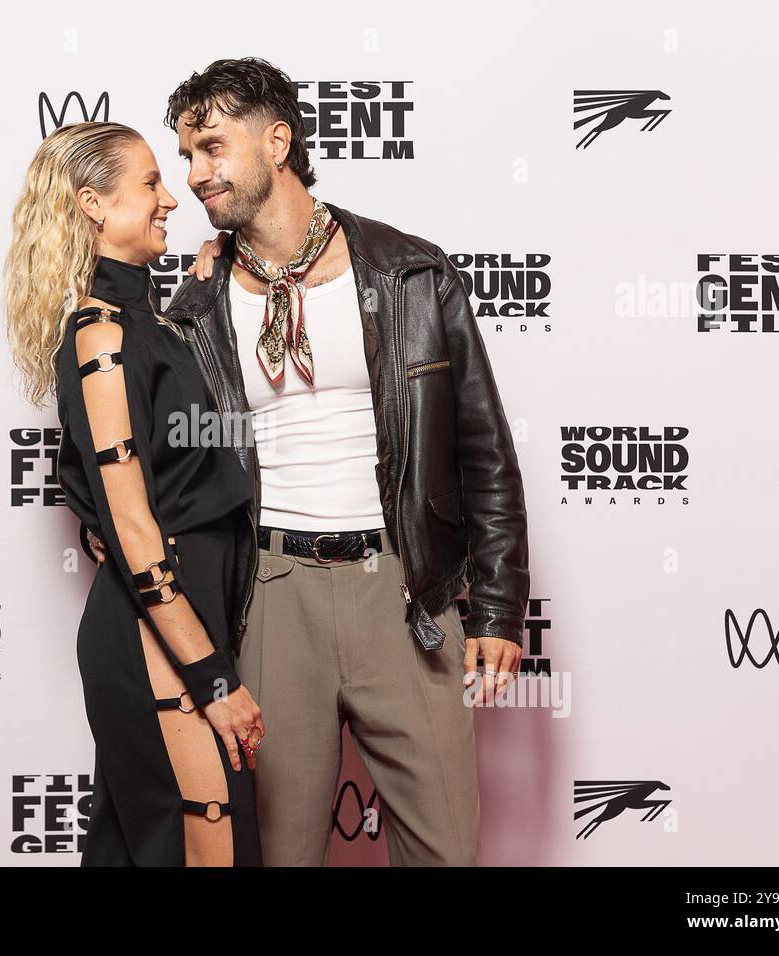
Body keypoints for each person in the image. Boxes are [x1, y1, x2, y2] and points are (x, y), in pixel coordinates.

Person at [90, 57, 530, 866]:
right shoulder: (192, 307)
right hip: (270, 595)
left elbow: (484, 447)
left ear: (278, 141)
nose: (194, 177)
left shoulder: (409, 272)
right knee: (281, 853)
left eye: (213, 149)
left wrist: (499, 609)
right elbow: (138, 449)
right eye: (185, 158)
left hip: (404, 592)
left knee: (447, 851)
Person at [4, 121, 264, 867]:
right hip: (159, 631)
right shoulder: (102, 336)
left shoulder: (146, 325)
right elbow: (132, 527)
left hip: (190, 613)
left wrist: (202, 285)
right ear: (93, 204)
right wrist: (213, 679)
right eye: (150, 184)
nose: (170, 200)